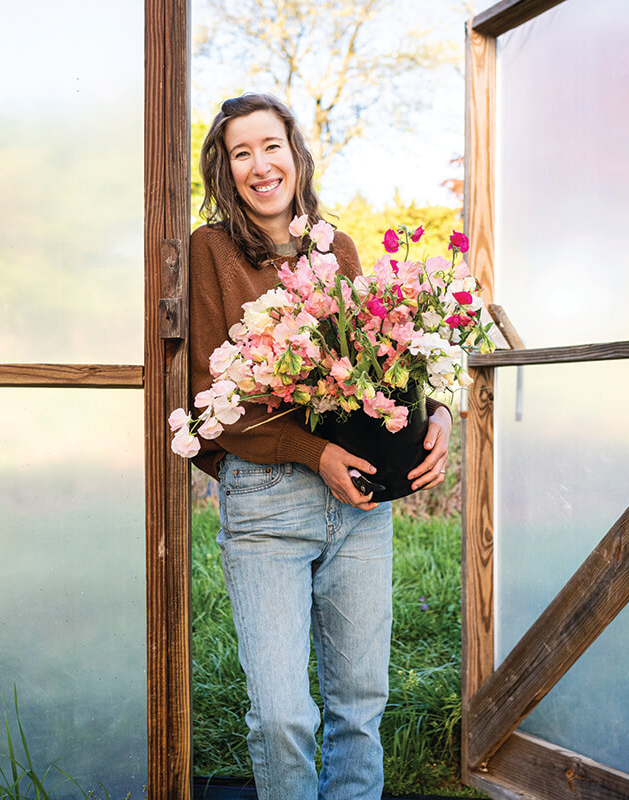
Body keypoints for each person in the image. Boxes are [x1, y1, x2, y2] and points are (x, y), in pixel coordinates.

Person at [188, 93, 453, 800]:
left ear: (296, 156)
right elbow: (209, 396)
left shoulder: (338, 248)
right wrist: (313, 454)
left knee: (359, 707)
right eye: (241, 152)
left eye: (271, 146)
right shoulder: (209, 251)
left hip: (359, 503)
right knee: (282, 718)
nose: (260, 165)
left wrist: (434, 414)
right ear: (225, 169)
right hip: (267, 501)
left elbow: (379, 362)